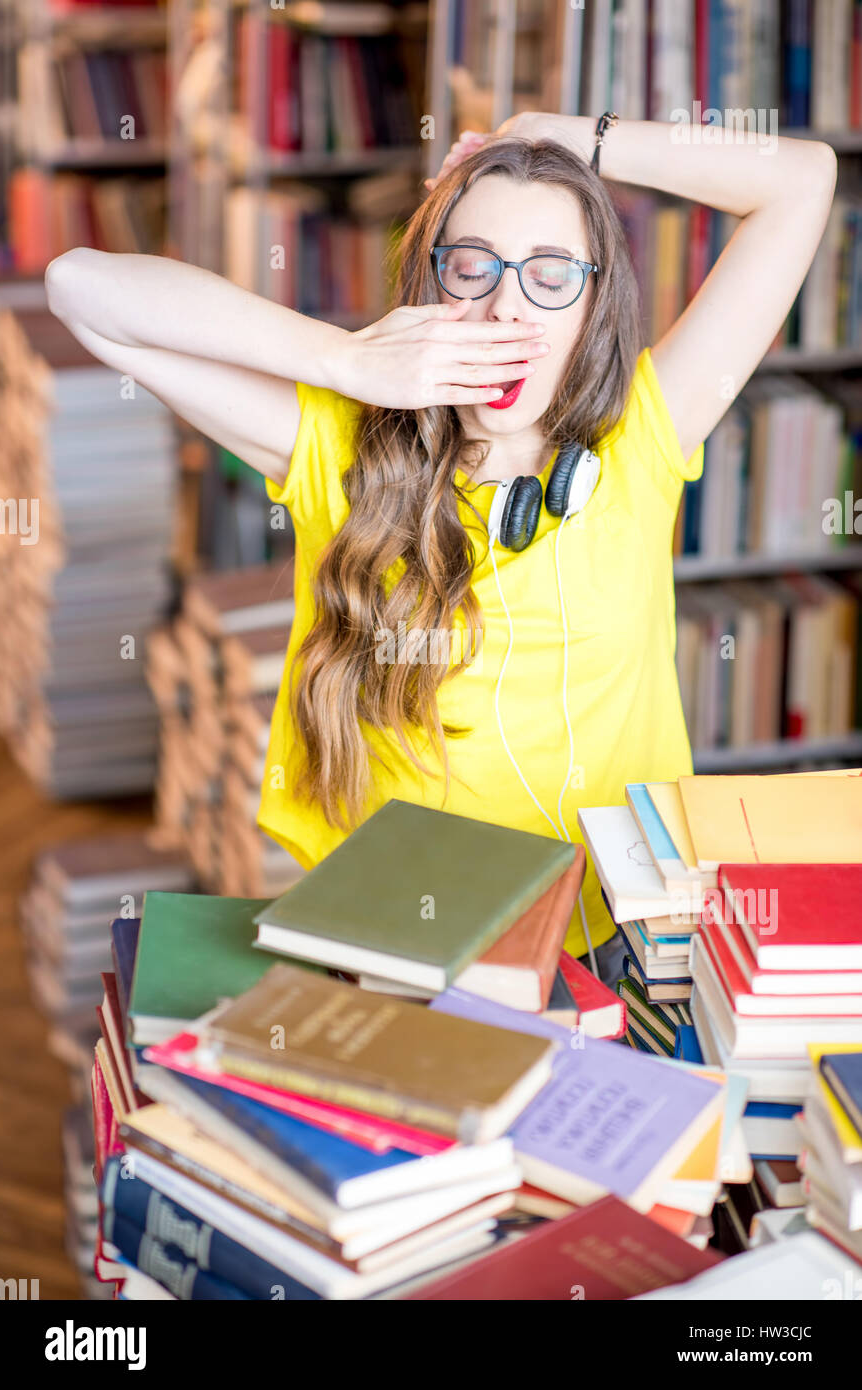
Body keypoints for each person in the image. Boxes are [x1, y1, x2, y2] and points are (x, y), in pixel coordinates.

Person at [45, 111, 837, 988]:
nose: (505, 305)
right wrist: (346, 362)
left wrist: (569, 134)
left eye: (550, 275)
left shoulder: (644, 440)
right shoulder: (339, 451)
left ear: (592, 306)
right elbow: (82, 286)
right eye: (473, 267)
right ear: (430, 287)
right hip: (393, 937)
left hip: (615, 938)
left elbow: (800, 180)